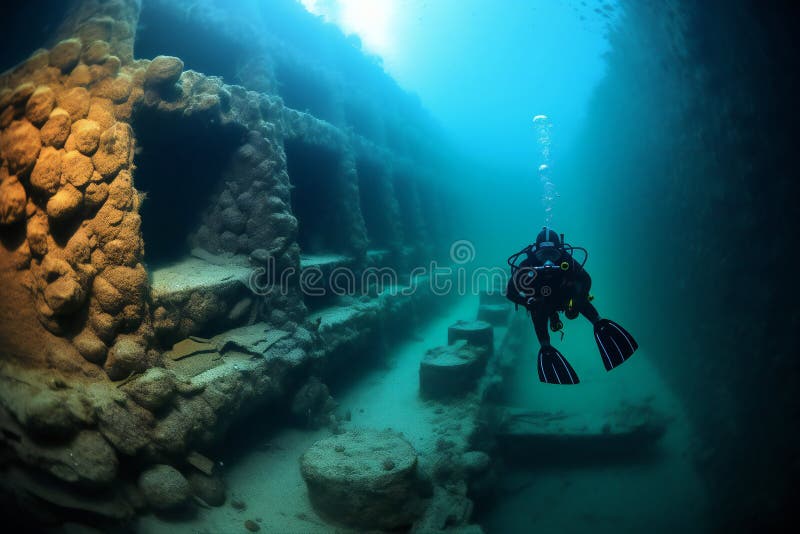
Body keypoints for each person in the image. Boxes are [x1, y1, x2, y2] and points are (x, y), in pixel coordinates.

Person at [505, 227, 638, 384]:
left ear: (559, 251)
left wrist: (578, 299)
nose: (548, 261)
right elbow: (510, 292)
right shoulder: (528, 265)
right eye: (543, 255)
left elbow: (586, 280)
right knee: (538, 310)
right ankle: (545, 346)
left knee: (579, 296)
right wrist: (527, 303)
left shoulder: (566, 260)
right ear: (536, 253)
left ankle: (598, 322)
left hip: (566, 299)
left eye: (552, 254)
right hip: (541, 303)